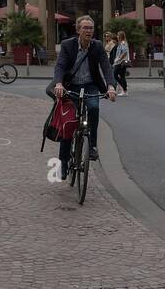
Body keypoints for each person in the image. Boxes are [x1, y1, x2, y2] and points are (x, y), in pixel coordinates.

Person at [49, 15, 116, 178]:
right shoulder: (67, 45)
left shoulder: (97, 46)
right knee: (69, 124)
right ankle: (64, 161)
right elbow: (60, 66)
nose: (88, 31)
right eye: (85, 28)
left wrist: (111, 86)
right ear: (78, 30)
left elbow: (106, 67)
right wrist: (58, 84)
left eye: (91, 28)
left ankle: (92, 146)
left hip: (91, 85)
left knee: (93, 108)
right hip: (70, 87)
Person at [112, 30, 130, 95]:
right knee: (121, 76)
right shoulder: (121, 43)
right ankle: (124, 90)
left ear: (120, 36)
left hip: (120, 62)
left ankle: (124, 90)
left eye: (118, 35)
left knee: (116, 75)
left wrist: (119, 59)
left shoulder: (123, 43)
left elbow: (125, 52)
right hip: (118, 62)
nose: (117, 36)